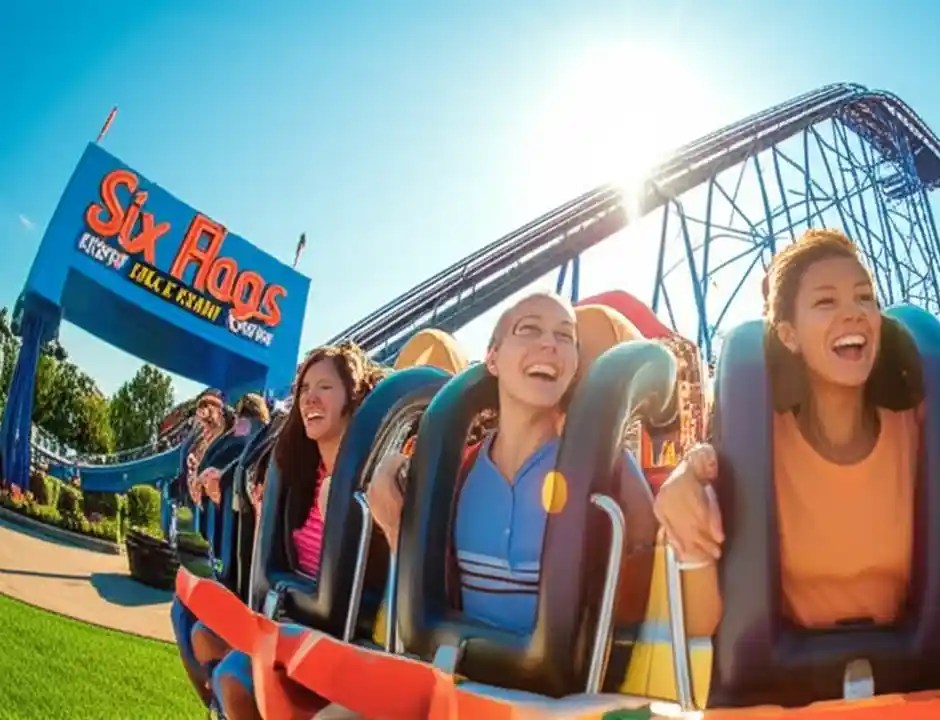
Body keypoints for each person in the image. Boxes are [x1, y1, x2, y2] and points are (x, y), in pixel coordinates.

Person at [654, 229, 940, 689]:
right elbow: (700, 624)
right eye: (825, 302)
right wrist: (688, 533)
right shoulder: (751, 443)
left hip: (920, 687)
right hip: (787, 695)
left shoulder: (924, 429)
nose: (854, 311)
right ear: (788, 335)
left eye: (864, 297)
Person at [366, 293, 654, 636]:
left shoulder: (610, 468)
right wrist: (390, 495)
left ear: (575, 363)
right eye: (529, 329)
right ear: (493, 358)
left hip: (564, 684)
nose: (549, 344)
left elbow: (647, 607)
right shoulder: (456, 472)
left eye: (565, 336)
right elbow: (422, 590)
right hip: (455, 675)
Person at [170, 343, 382, 718]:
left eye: (325, 388)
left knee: (235, 676)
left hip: (341, 633)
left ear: (352, 396)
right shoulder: (298, 472)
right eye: (304, 389)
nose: (310, 398)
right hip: (289, 615)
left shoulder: (372, 472)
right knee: (194, 627)